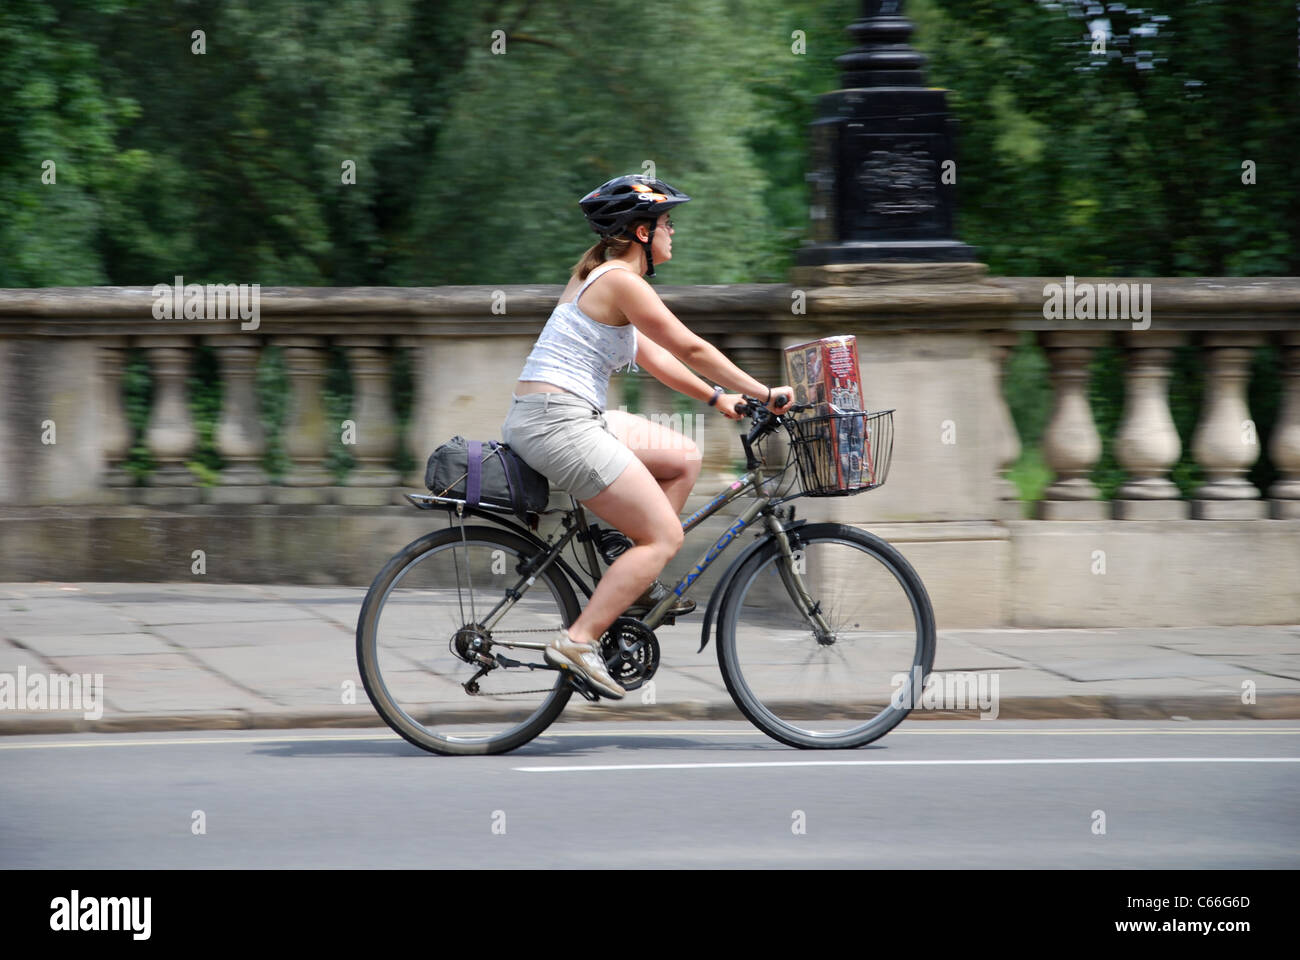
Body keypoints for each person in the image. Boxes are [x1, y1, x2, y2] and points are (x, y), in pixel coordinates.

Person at [500, 174, 793, 700]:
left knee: (681, 456)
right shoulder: (620, 281)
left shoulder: (605, 277)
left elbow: (653, 356)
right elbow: (690, 346)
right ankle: (579, 639)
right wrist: (765, 391)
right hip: (557, 422)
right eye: (666, 223)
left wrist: (716, 398)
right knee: (665, 536)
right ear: (641, 233)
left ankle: (629, 573)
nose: (673, 232)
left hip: (562, 414)